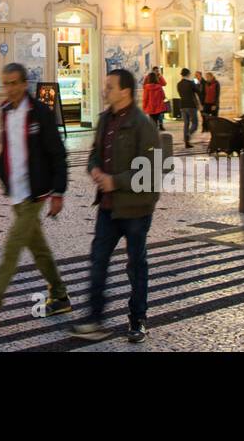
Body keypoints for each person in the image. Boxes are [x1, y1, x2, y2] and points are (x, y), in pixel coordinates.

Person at [0, 63, 71, 327]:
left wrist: (58, 191)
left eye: (15, 83)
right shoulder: (5, 112)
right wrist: (2, 174)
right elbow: (8, 149)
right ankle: (59, 296)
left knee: (12, 248)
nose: (11, 88)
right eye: (7, 83)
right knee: (39, 249)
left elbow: (58, 153)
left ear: (25, 84)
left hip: (35, 194)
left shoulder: (40, 113)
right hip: (16, 192)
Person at [72, 68, 160, 343]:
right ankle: (94, 318)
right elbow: (93, 155)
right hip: (108, 208)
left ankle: (138, 318)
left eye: (109, 86)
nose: (104, 90)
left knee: (136, 265)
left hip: (135, 209)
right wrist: (94, 170)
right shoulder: (103, 120)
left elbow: (153, 172)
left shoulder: (143, 125)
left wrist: (116, 181)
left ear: (125, 91)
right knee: (98, 259)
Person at [177, 68, 201, 148]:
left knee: (186, 124)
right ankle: (188, 135)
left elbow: (180, 94)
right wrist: (197, 83)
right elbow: (198, 91)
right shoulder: (191, 83)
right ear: (188, 74)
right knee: (195, 123)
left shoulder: (179, 84)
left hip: (182, 105)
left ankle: (186, 143)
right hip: (191, 105)